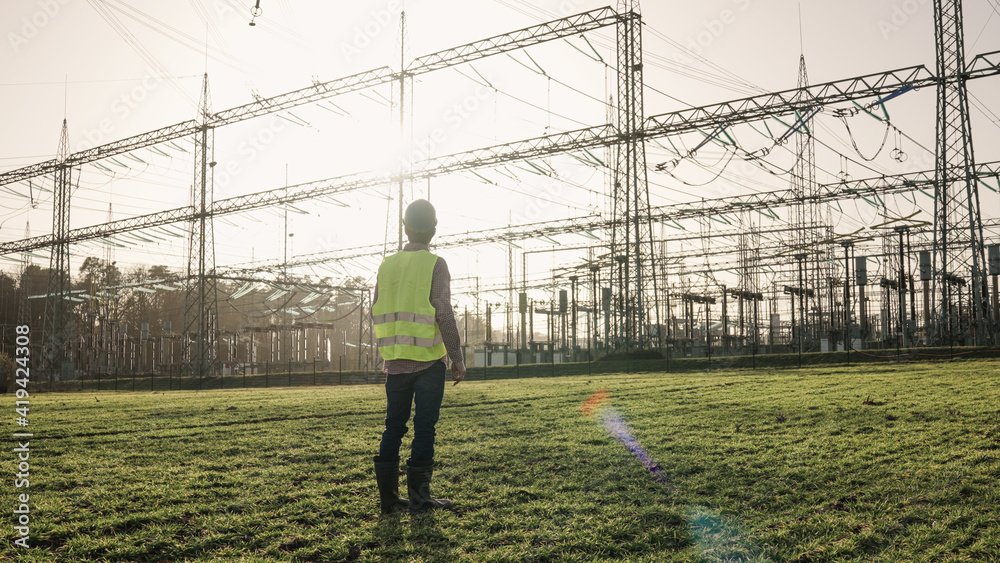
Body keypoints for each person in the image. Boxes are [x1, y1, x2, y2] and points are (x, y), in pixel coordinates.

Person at [371, 199, 466, 516]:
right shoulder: (436, 265)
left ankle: (388, 501)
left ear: (404, 227)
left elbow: (377, 308)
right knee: (425, 428)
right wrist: (457, 356)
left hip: (395, 363)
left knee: (393, 428)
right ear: (434, 231)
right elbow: (444, 313)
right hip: (428, 362)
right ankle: (420, 500)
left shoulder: (386, 266)